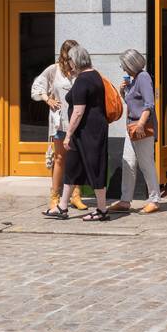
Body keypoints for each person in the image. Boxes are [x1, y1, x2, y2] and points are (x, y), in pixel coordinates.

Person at [46, 44, 111, 221]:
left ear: (77, 60)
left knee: (95, 168)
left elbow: (78, 111)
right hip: (85, 132)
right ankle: (62, 206)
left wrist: (68, 134)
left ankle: (102, 210)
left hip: (88, 132)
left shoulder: (83, 79)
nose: (69, 64)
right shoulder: (94, 75)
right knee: (73, 166)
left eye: (71, 60)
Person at [31, 41, 85, 212]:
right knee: (60, 159)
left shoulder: (81, 70)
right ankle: (54, 197)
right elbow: (36, 88)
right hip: (60, 121)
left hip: (77, 121)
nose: (71, 58)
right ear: (63, 54)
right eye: (69, 54)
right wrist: (48, 99)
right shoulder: (53, 70)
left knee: (77, 160)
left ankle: (76, 195)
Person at [109, 48, 160, 215]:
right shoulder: (134, 79)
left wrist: (141, 124)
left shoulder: (143, 77)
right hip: (131, 127)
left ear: (132, 64)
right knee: (128, 162)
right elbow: (132, 104)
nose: (123, 69)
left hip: (141, 128)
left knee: (146, 164)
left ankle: (154, 200)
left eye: (125, 65)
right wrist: (124, 91)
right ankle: (125, 201)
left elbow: (149, 104)